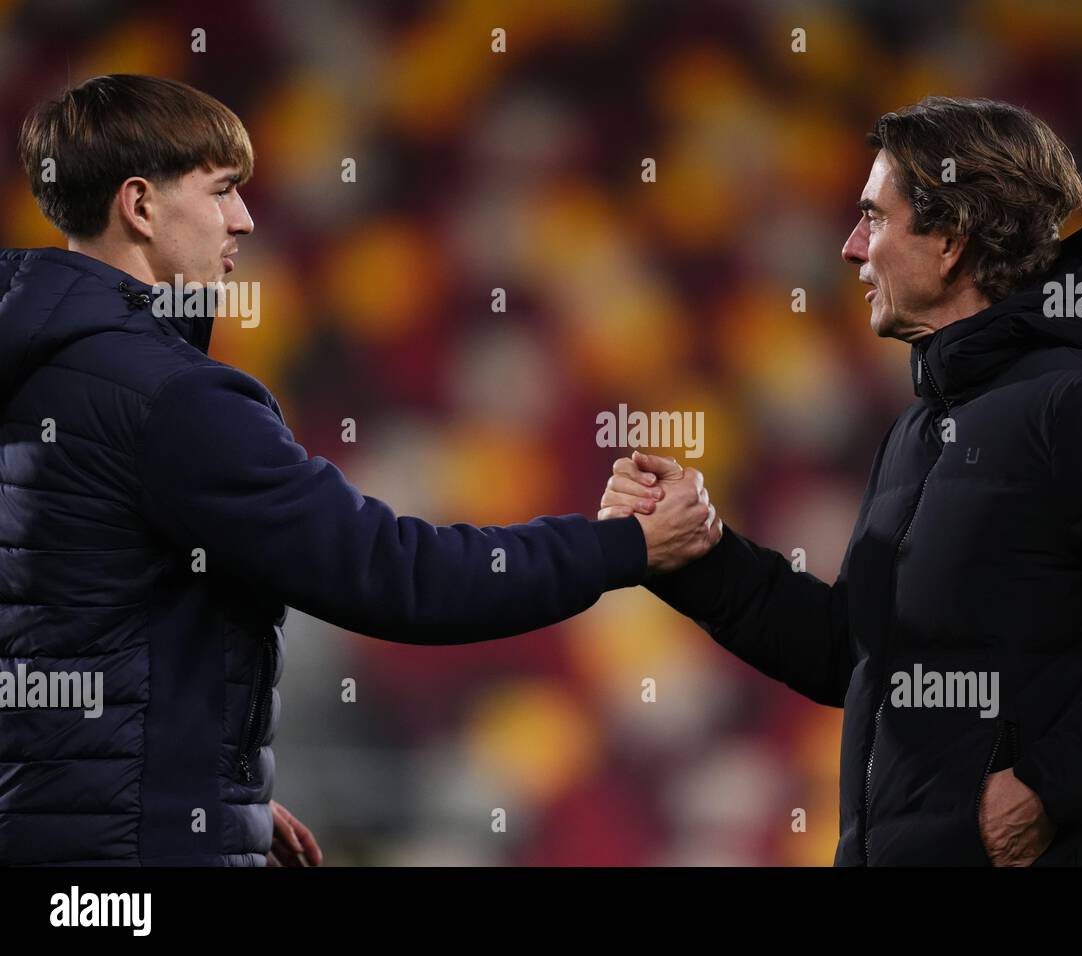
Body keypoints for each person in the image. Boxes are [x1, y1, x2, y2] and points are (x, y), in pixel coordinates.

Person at [0, 74, 720, 866]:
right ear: (139, 206)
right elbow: (396, 575)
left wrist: (198, 788)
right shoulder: (172, 399)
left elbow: (56, 625)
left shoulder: (34, 369)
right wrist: (625, 548)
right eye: (222, 191)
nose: (243, 219)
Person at [599, 96, 1082, 866]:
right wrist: (694, 553)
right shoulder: (919, 431)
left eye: (874, 218)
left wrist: (1048, 789)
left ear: (951, 241)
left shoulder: (1080, 408)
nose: (851, 248)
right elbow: (853, 657)